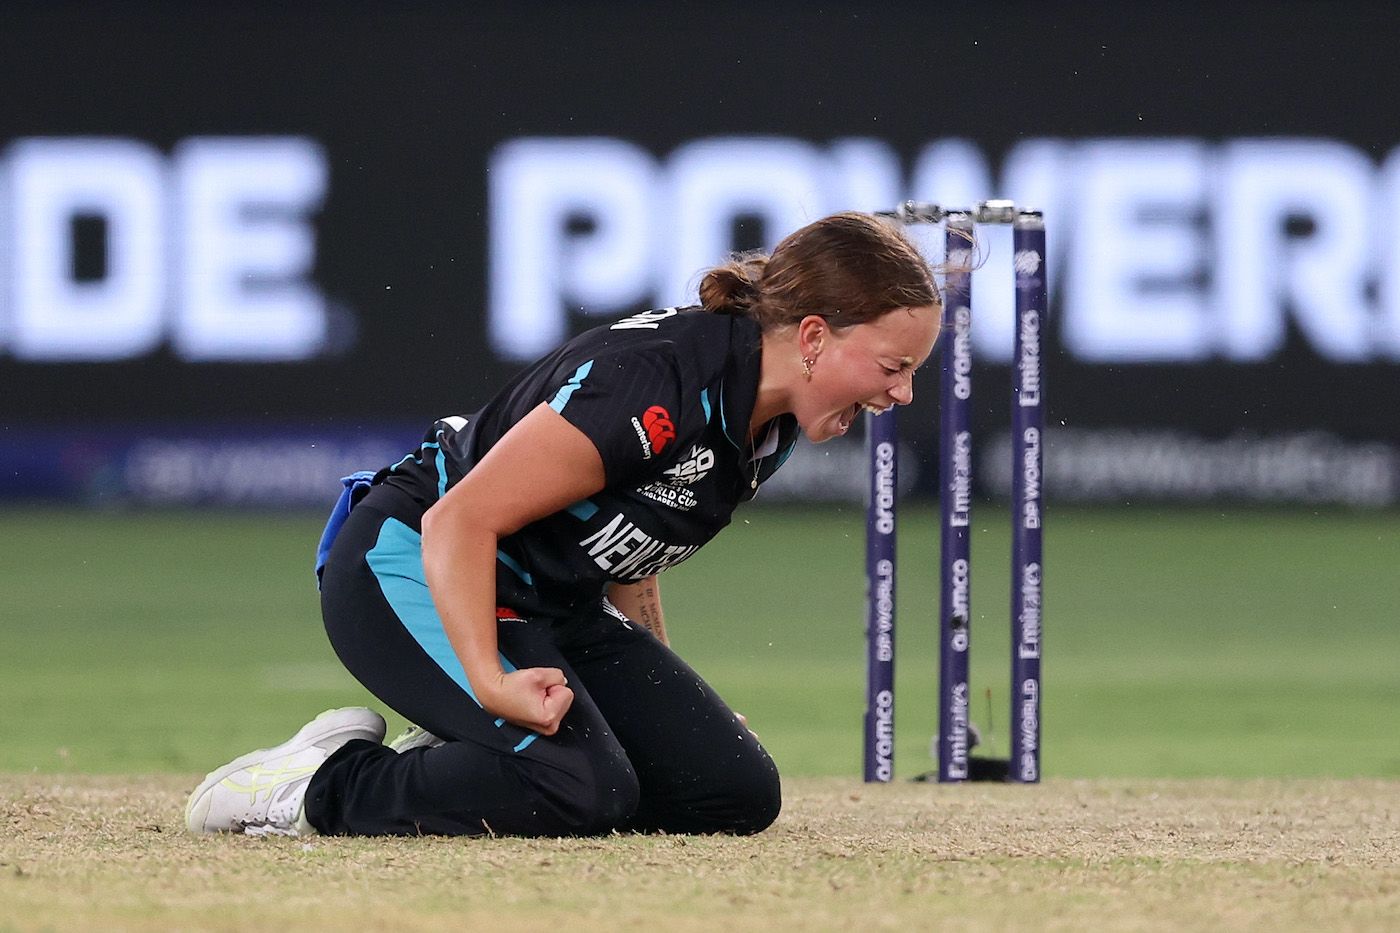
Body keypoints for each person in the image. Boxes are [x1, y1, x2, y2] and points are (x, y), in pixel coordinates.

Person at [184, 211, 941, 839]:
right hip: (410, 563)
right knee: (585, 788)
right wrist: (488, 681)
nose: (903, 394)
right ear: (813, 337)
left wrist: (664, 695)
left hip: (543, 602)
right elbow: (461, 517)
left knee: (732, 791)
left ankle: (475, 751)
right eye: (892, 366)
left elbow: (635, 541)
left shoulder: (766, 418)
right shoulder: (655, 382)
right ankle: (309, 785)